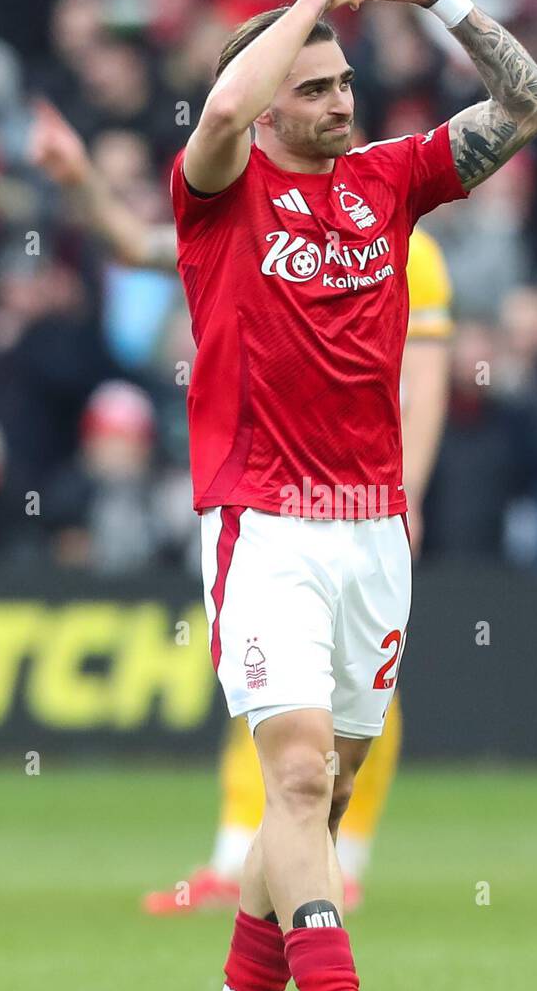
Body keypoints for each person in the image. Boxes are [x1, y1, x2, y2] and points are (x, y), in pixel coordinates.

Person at [166, 0, 537, 991]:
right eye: (317, 86)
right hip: (264, 519)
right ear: (268, 102)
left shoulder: (387, 181)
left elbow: (529, 103)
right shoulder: (219, 190)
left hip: (372, 527)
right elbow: (227, 102)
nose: (343, 98)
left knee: (321, 795)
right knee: (291, 781)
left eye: (345, 79)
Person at [29, 101, 454, 911]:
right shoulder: (248, 216)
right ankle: (238, 864)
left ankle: (343, 856)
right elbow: (135, 245)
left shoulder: (407, 239)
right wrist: (80, 181)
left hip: (364, 497)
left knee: (352, 697)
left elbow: (425, 380)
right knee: (270, 692)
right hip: (271, 495)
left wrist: (412, 492)